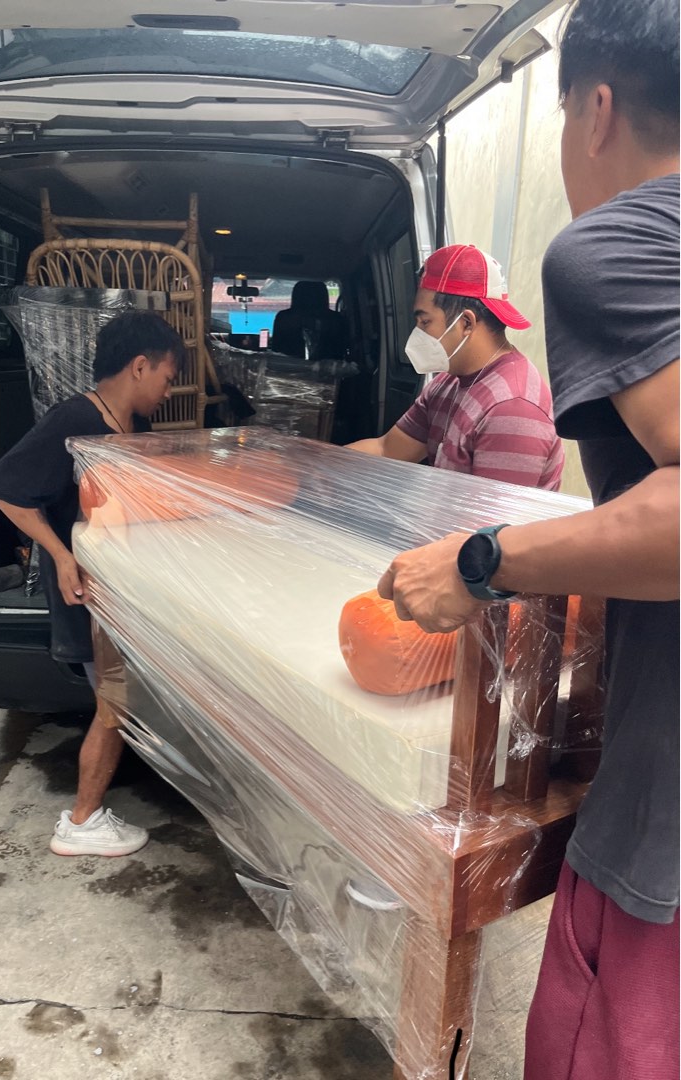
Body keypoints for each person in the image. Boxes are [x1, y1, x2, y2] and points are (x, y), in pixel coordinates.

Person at [376, 1, 679, 1076]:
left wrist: (479, 565)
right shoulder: (438, 387)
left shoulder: (617, 247)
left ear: (594, 110)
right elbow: (396, 455)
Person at [0, 311, 185, 857]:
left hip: (118, 593)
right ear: (140, 366)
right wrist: (61, 555)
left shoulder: (129, 428)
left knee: (119, 704)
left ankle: (86, 815)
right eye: (167, 377)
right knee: (113, 707)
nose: (168, 391)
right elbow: (6, 491)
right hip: (87, 596)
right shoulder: (73, 420)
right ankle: (81, 821)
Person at [349, 244, 564, 490]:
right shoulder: (447, 383)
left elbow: (491, 525)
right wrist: (316, 464)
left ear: (465, 322)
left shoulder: (513, 409)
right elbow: (387, 449)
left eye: (425, 321)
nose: (417, 334)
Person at [270, 280, 348, 361]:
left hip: (287, 370)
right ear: (324, 296)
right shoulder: (336, 319)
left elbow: (276, 351)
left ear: (295, 296)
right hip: (332, 371)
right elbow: (342, 349)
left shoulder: (283, 317)